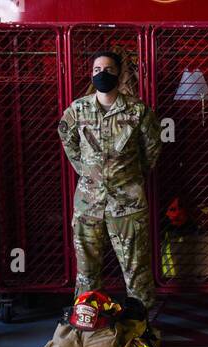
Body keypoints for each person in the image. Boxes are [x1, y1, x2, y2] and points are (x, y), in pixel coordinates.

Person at [58, 51, 162, 310]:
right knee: (87, 273)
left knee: (136, 272)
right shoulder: (77, 110)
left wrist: (129, 176)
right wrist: (85, 170)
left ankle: (142, 328)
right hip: (88, 204)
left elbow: (152, 149)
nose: (101, 73)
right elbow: (67, 141)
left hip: (128, 205)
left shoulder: (138, 111)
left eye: (107, 69)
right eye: (96, 69)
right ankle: (88, 325)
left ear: (119, 73)